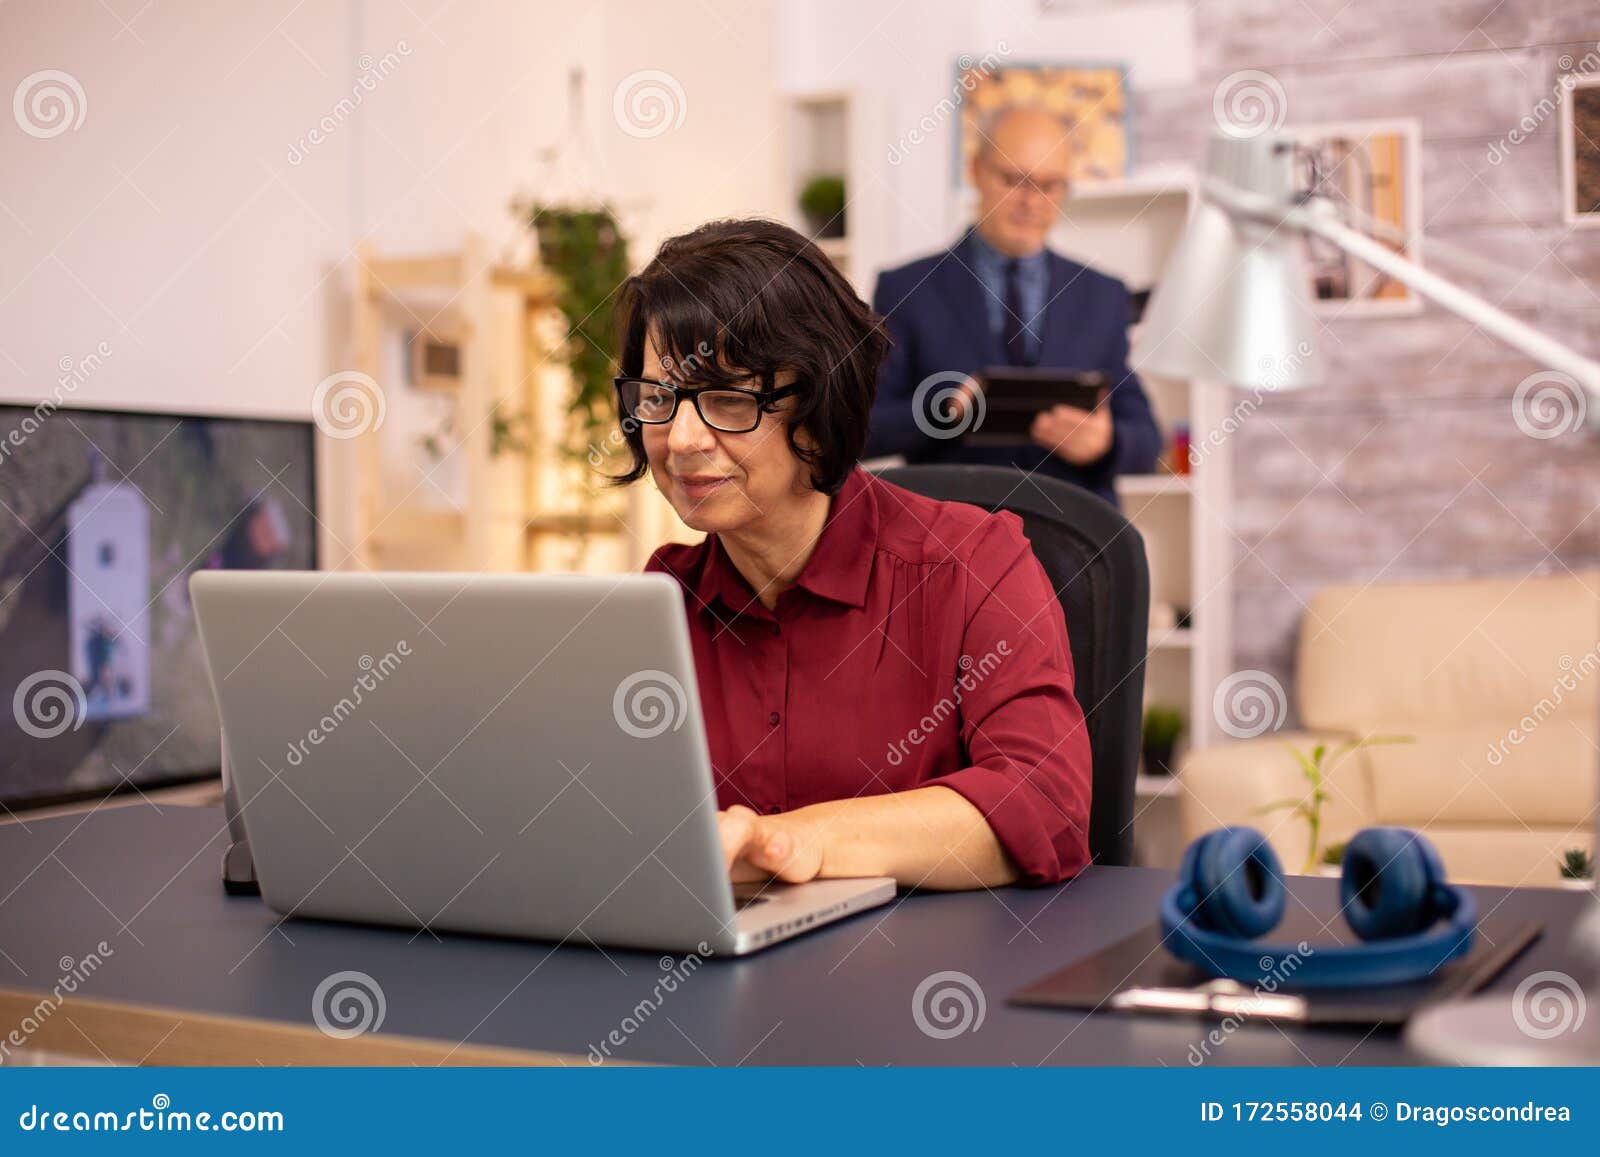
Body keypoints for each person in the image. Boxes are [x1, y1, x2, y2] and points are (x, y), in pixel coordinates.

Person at [611, 218, 1092, 890]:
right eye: (659, 399)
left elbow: (1046, 807)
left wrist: (797, 839)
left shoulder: (976, 563)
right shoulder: (664, 599)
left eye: (725, 399)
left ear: (819, 400)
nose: (682, 437)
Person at [866, 106, 1162, 506]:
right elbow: (862, 431)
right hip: (951, 539)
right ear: (975, 170)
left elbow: (1147, 440)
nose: (1032, 202)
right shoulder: (907, 288)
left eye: (1051, 185)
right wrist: (940, 414)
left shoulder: (1102, 294)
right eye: (1013, 179)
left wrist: (1104, 443)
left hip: (1074, 538)